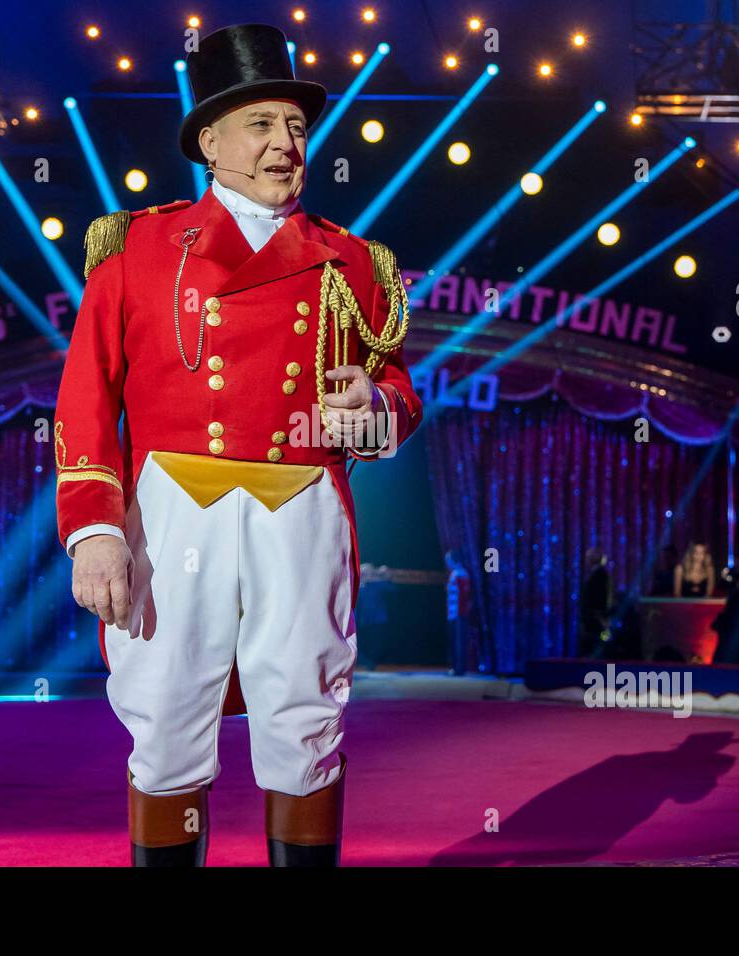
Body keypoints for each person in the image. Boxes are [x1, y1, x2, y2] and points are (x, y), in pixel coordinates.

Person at [54, 23, 421, 868]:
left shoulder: (354, 262)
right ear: (210, 143)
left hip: (302, 509)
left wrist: (377, 407)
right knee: (167, 707)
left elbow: (399, 392)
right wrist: (96, 531)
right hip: (175, 506)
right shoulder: (137, 249)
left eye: (295, 127)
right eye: (261, 125)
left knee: (306, 713)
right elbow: (83, 399)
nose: (285, 144)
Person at [445, 550, 475, 674]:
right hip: (454, 613)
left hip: (459, 613)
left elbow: (464, 596)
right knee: (456, 641)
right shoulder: (456, 574)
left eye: (449, 560)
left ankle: (459, 668)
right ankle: (457, 667)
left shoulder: (460, 574)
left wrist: (459, 611)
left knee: (459, 641)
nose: (447, 563)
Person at [579, 547, 613, 657]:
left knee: (599, 644)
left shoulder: (600, 575)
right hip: (594, 619)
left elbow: (599, 598)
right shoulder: (596, 574)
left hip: (597, 620)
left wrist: (601, 617)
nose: (586, 560)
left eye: (589, 557)